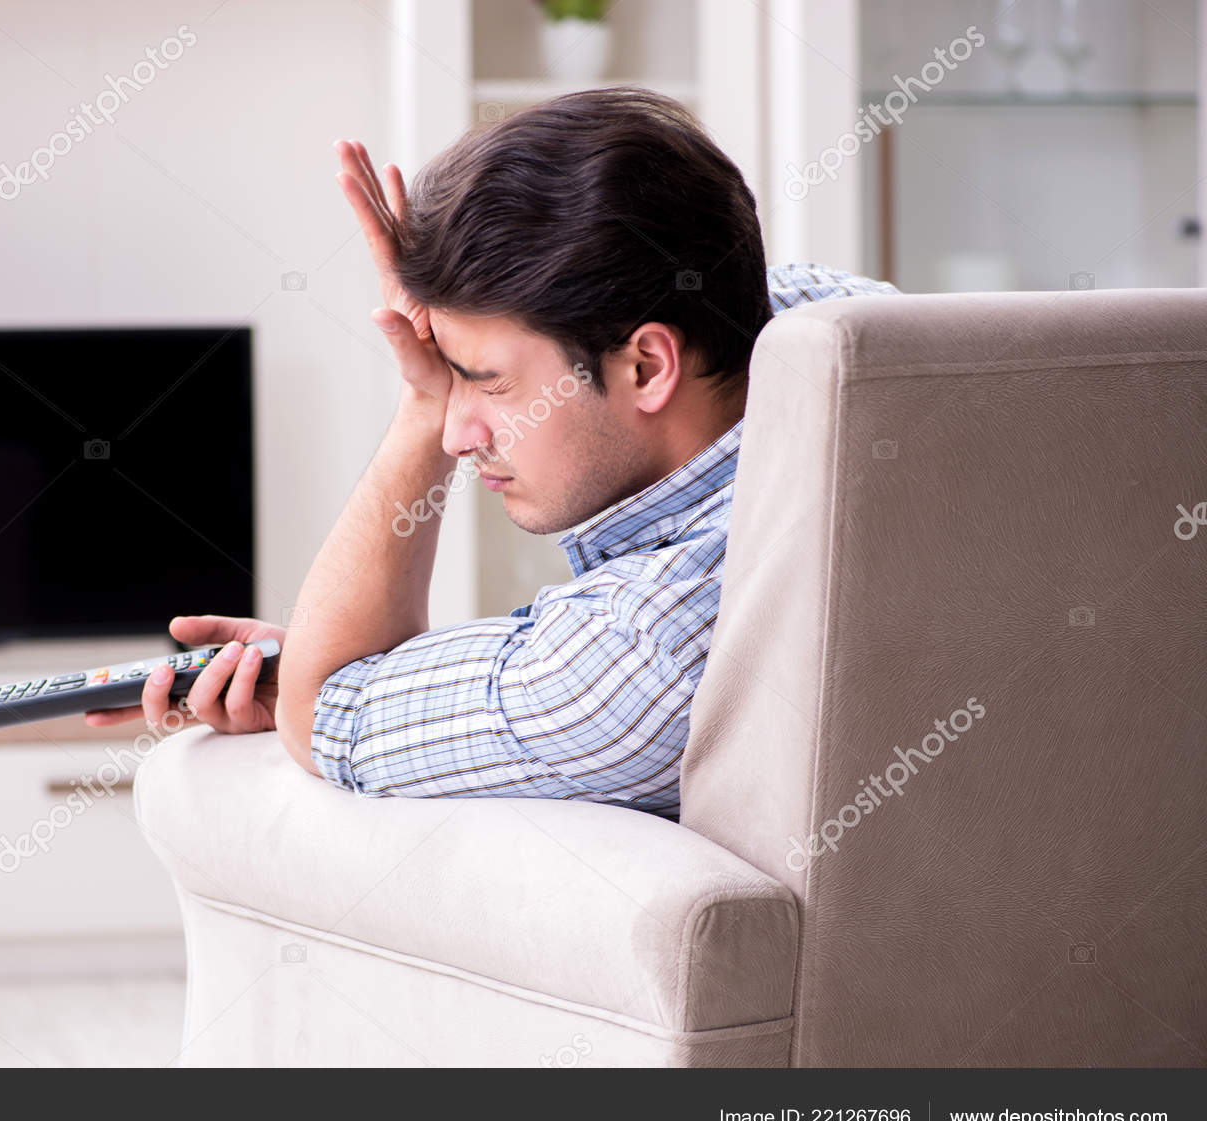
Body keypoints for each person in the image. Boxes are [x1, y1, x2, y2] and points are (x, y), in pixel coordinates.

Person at [87, 87, 896, 818]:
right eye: (446, 383)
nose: (457, 432)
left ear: (647, 365)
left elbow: (323, 710)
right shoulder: (853, 328)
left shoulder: (643, 656)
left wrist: (418, 405)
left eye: (486, 382)